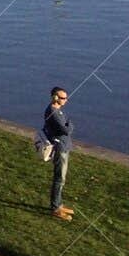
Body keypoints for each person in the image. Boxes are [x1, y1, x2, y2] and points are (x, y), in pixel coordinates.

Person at [42, 86, 74, 220]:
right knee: (59, 178)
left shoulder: (58, 111)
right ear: (55, 97)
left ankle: (59, 204)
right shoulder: (53, 112)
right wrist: (69, 124)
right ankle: (55, 208)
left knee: (61, 178)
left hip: (64, 146)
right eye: (63, 98)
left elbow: (66, 127)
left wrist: (67, 124)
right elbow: (67, 130)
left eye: (66, 98)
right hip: (60, 148)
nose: (66, 100)